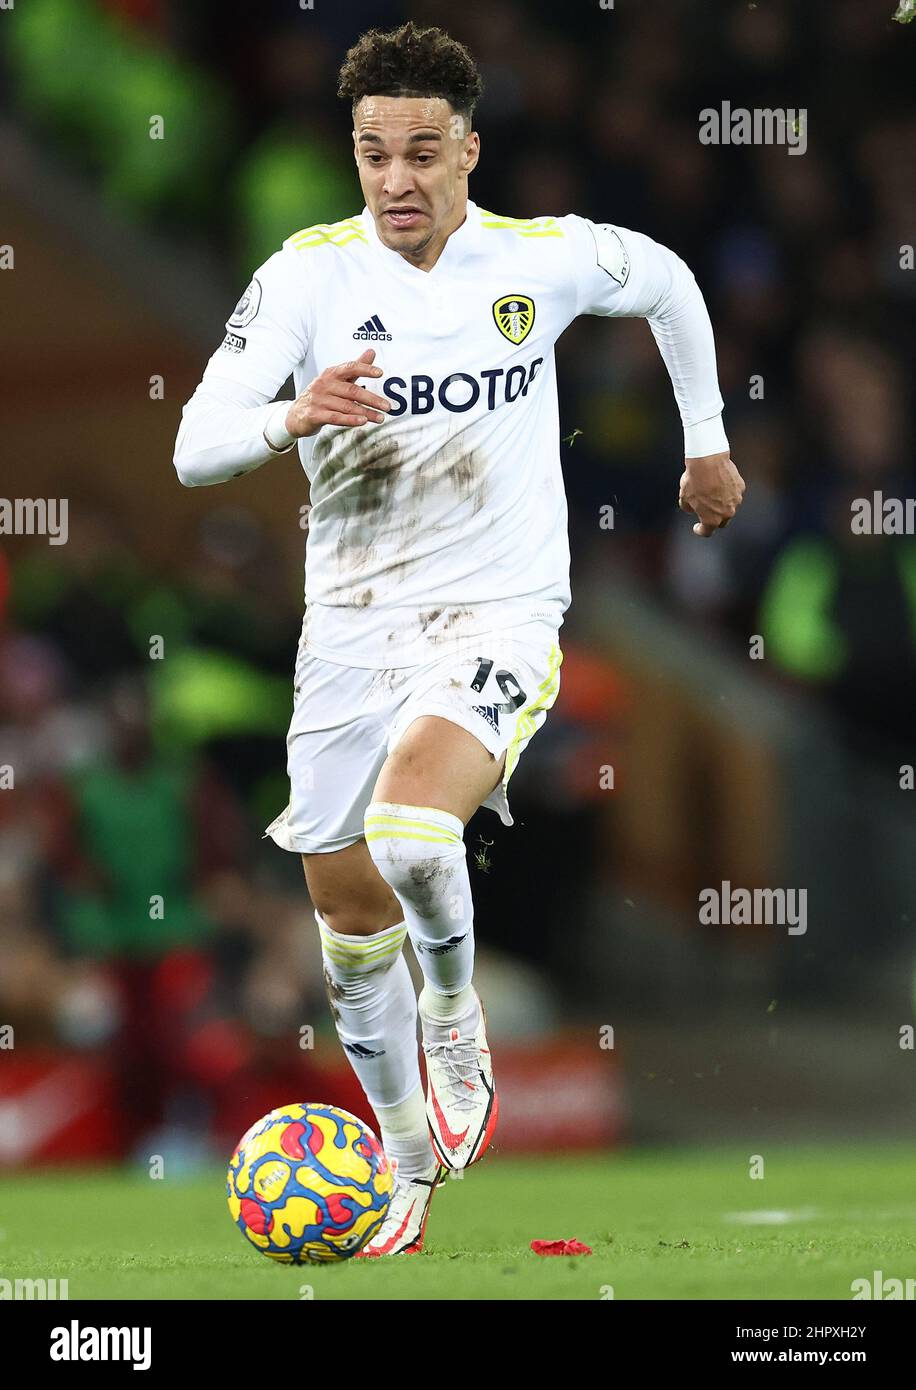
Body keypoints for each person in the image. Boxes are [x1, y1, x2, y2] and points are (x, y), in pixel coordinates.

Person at [173, 21, 744, 1255]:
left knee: (411, 826)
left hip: (496, 612)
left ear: (468, 152)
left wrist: (705, 440)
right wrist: (290, 413)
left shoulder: (536, 259)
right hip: (349, 630)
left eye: (422, 151)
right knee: (340, 907)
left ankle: (454, 1011)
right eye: (374, 152)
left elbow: (669, 282)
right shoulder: (305, 280)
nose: (395, 179)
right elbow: (191, 446)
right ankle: (402, 1153)